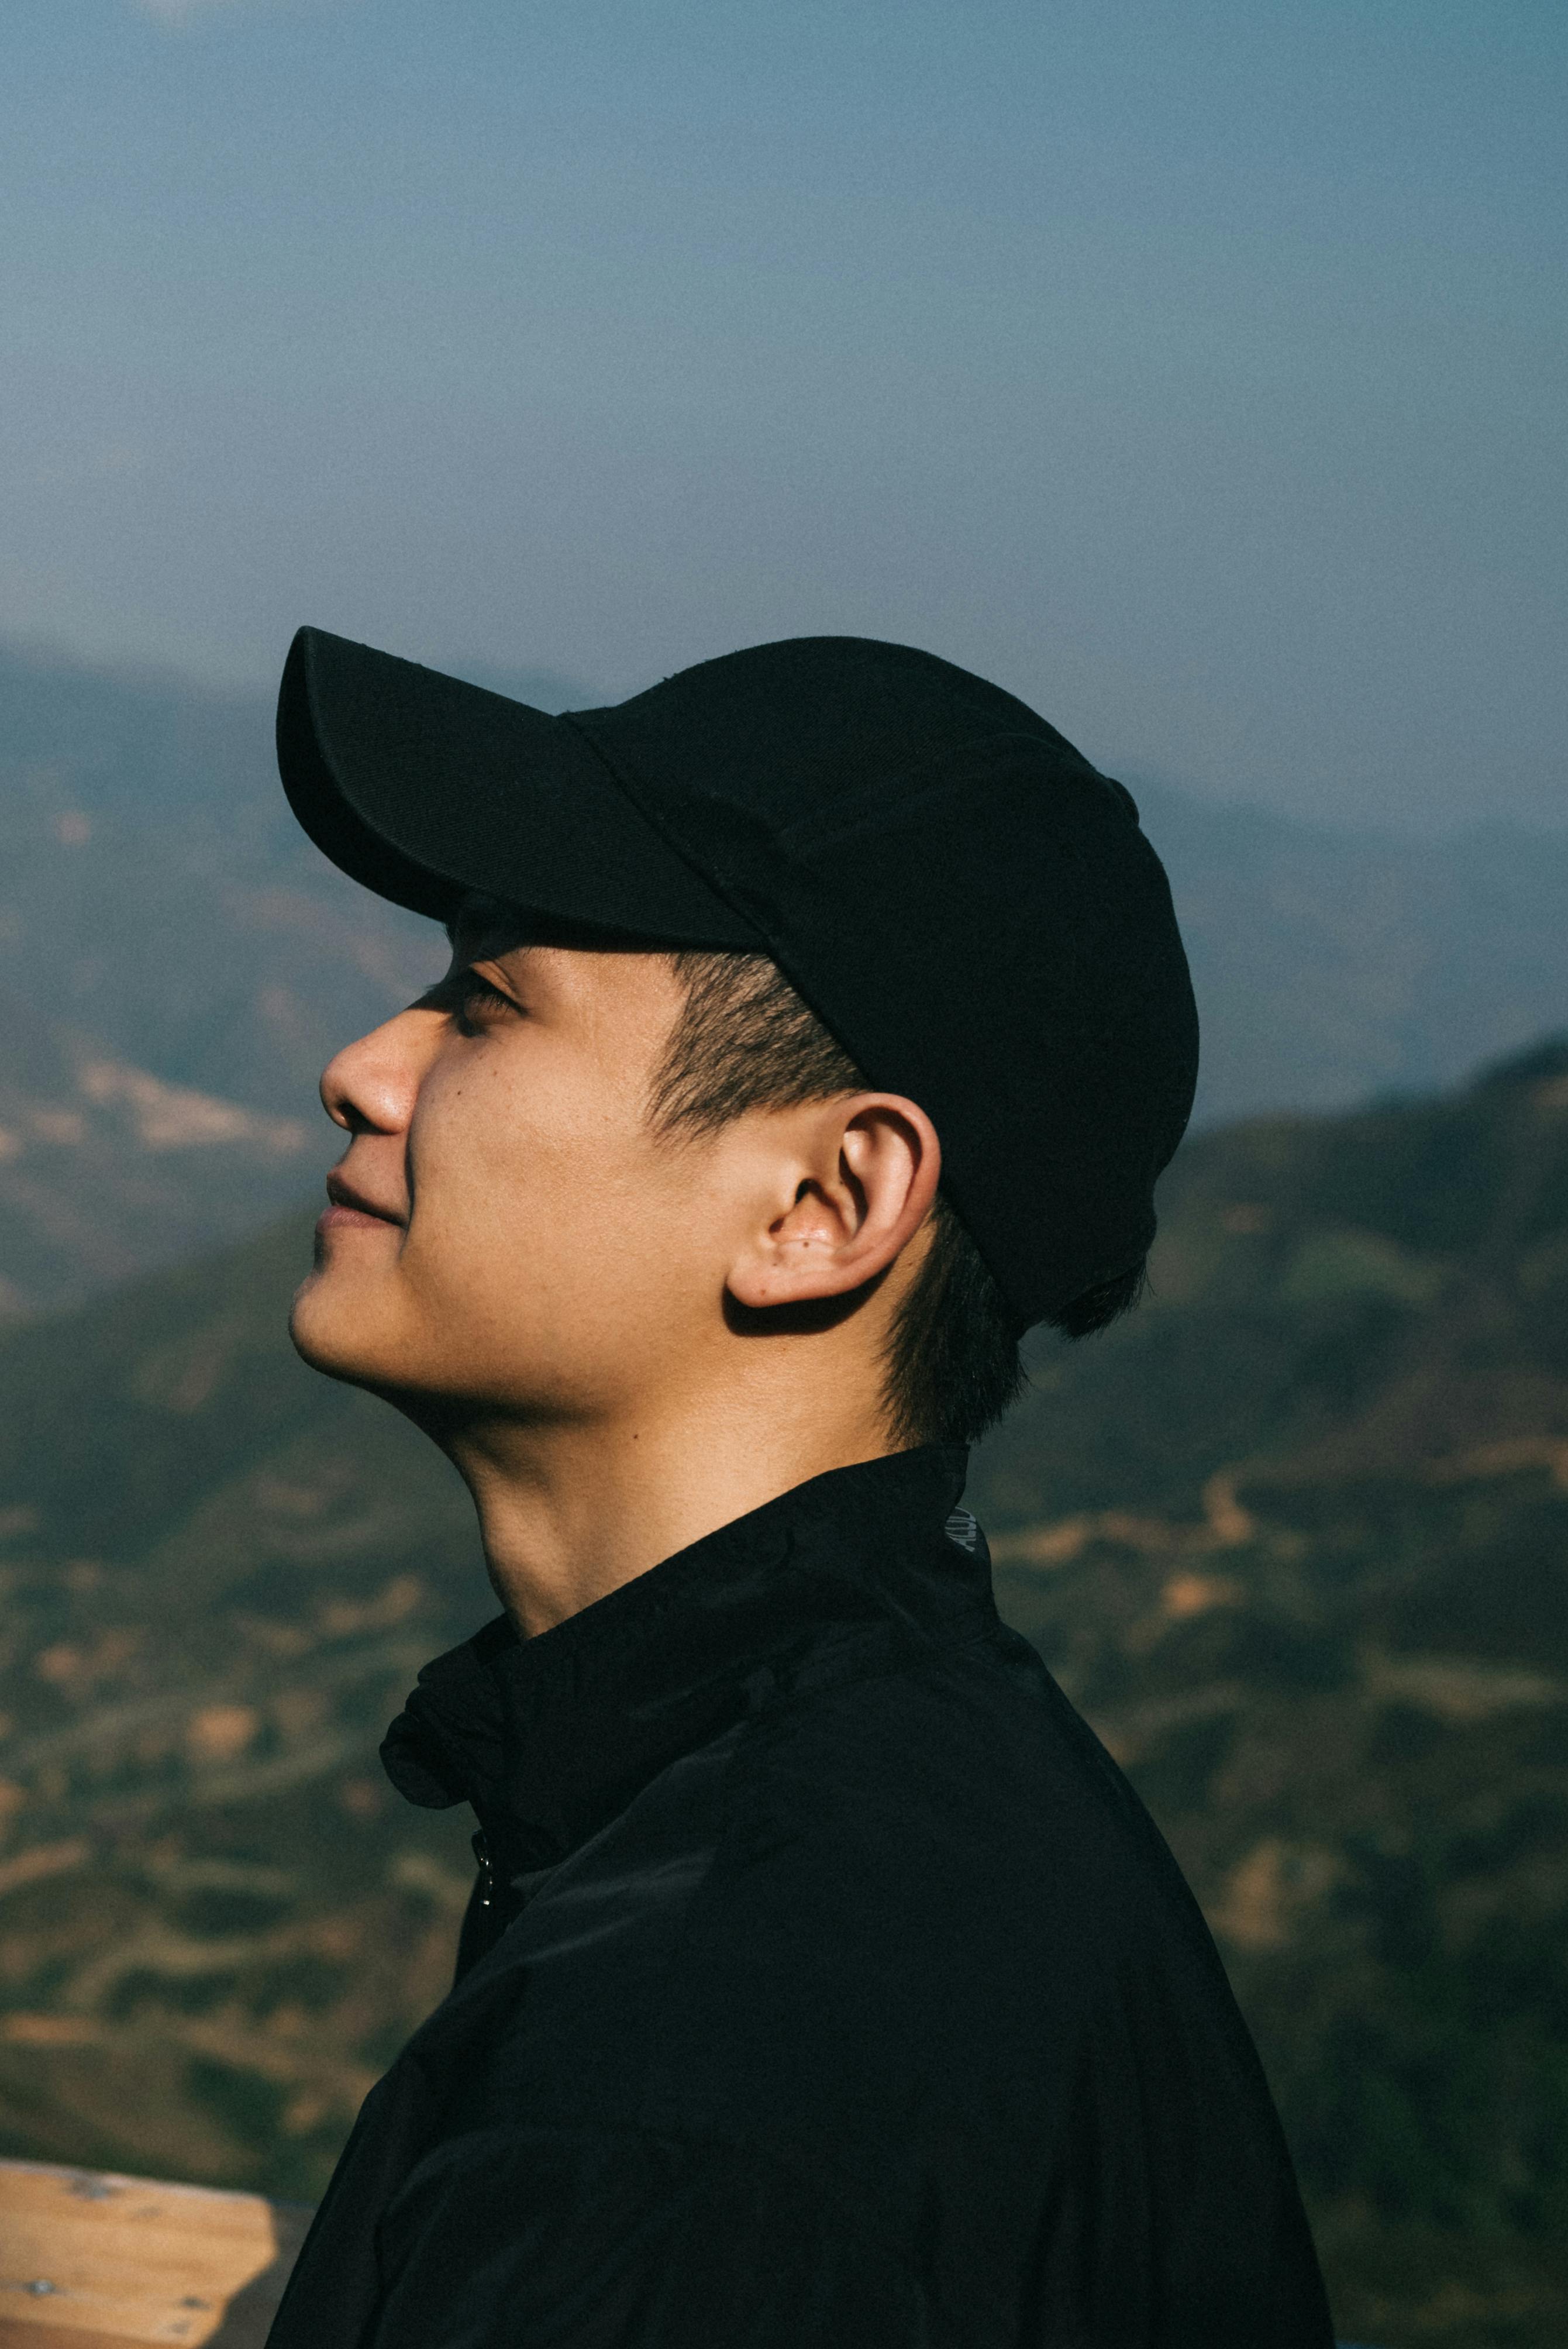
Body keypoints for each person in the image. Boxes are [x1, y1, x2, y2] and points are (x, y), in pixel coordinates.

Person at [263, 628, 1333, 2347]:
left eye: (483, 1001)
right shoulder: (907, 1823)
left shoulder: (681, 2113)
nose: (362, 1069)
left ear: (824, 1205)